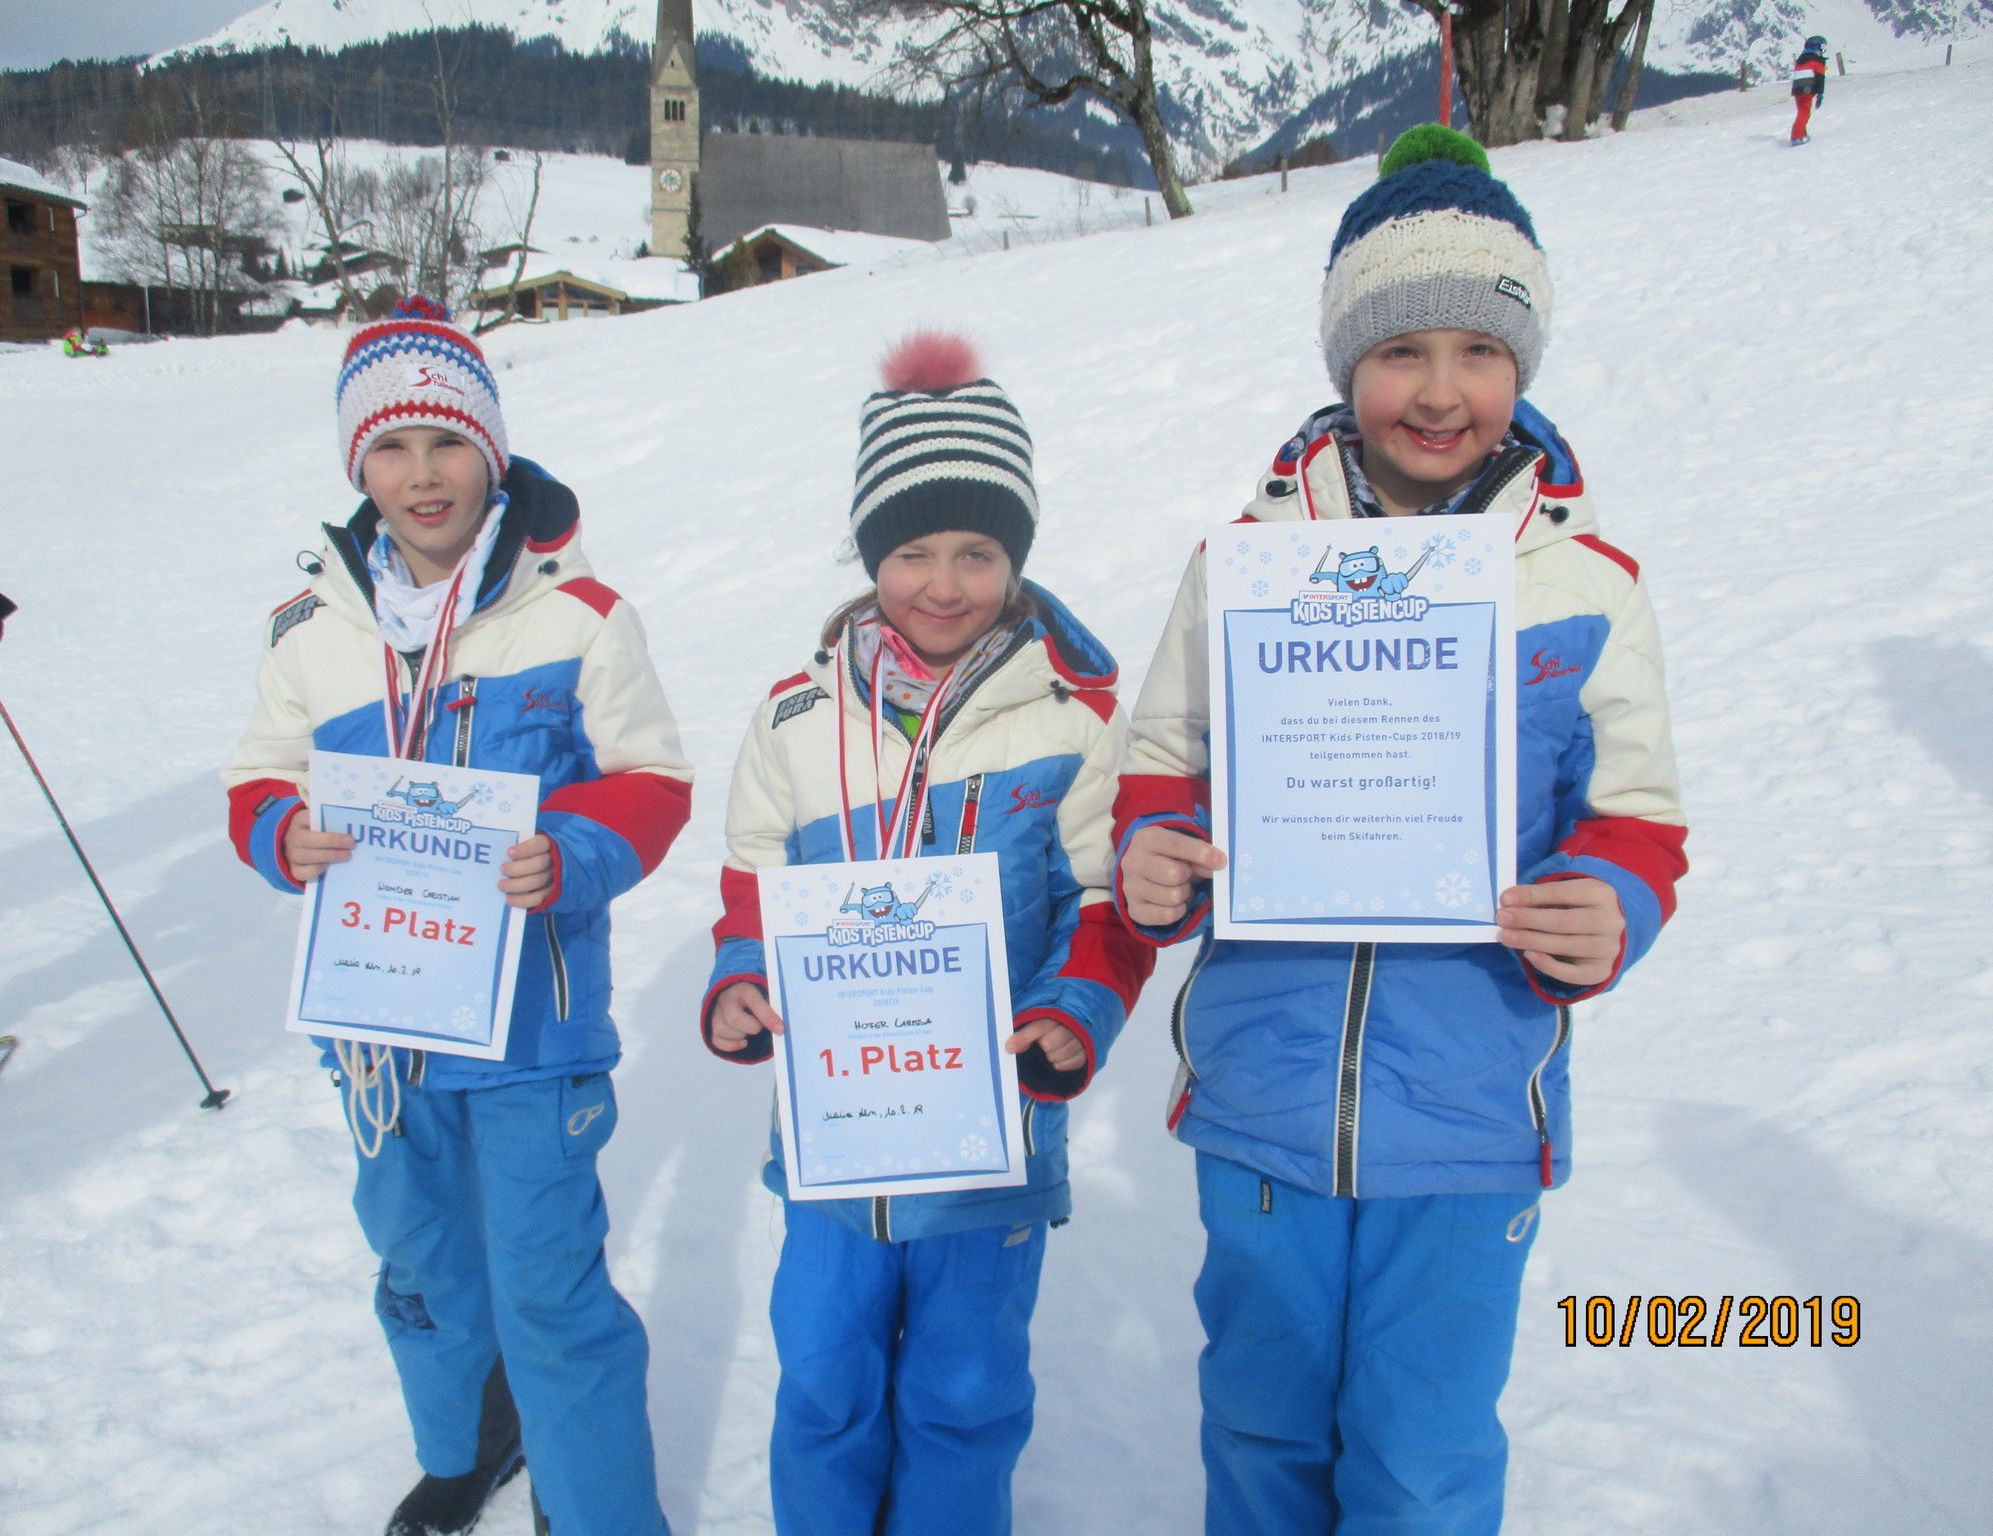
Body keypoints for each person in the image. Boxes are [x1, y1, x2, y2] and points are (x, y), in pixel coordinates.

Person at [1113, 126, 1688, 1535]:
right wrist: (1156, 860)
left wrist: (1610, 900)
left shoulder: (1584, 583)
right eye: (1398, 351)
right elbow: (1160, 766)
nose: (1439, 391)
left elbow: (1639, 814)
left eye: (1479, 352)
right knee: (1259, 1426)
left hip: (1470, 1106)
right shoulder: (1245, 567)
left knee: (1422, 1456)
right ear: (1344, 365)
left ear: (1525, 367)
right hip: (1264, 1101)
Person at [223, 295, 691, 1536]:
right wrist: (281, 832)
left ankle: (596, 1513)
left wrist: (573, 851)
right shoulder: (311, 630)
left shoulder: (575, 615)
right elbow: (258, 776)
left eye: (446, 444)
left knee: (546, 1289)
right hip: (379, 1033)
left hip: (529, 1032)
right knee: (421, 1267)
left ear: (491, 452)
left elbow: (651, 779)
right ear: (354, 465)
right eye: (389, 447)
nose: (421, 477)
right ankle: (467, 1442)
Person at [701, 332, 1153, 1536]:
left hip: (988, 1143)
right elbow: (750, 878)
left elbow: (1104, 909)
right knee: (824, 1387)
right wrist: (740, 982)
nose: (943, 582)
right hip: (833, 1150)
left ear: (1016, 558)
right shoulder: (796, 722)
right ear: (869, 555)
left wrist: (1071, 1012)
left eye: (978, 551)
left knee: (964, 1396)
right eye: (911, 550)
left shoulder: (1066, 722)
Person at [1791, 35, 1828, 145]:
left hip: (1797, 89)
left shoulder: (1801, 59)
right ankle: (1797, 137)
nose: (1823, 51)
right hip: (1808, 88)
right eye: (1822, 48)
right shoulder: (1818, 60)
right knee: (1804, 113)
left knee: (1802, 111)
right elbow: (1820, 78)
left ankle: (1802, 133)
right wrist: (1820, 94)